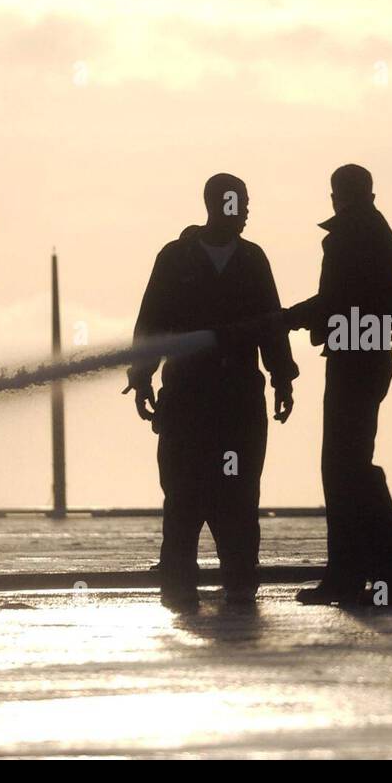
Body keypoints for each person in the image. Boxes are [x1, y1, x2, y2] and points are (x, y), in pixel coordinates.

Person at [125, 173, 297, 610]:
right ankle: (179, 581)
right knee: (182, 492)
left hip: (238, 401)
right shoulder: (174, 259)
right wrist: (142, 375)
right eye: (237, 202)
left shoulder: (254, 261)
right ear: (218, 205)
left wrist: (282, 376)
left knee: (239, 492)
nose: (244, 210)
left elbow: (272, 325)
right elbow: (151, 323)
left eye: (244, 202)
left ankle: (240, 579)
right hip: (187, 400)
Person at [284, 164, 392, 606]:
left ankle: (361, 577)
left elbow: (338, 299)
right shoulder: (376, 232)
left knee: (343, 470)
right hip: (366, 353)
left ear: (338, 194)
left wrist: (291, 317)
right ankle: (382, 576)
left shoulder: (351, 236)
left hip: (354, 357)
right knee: (352, 468)